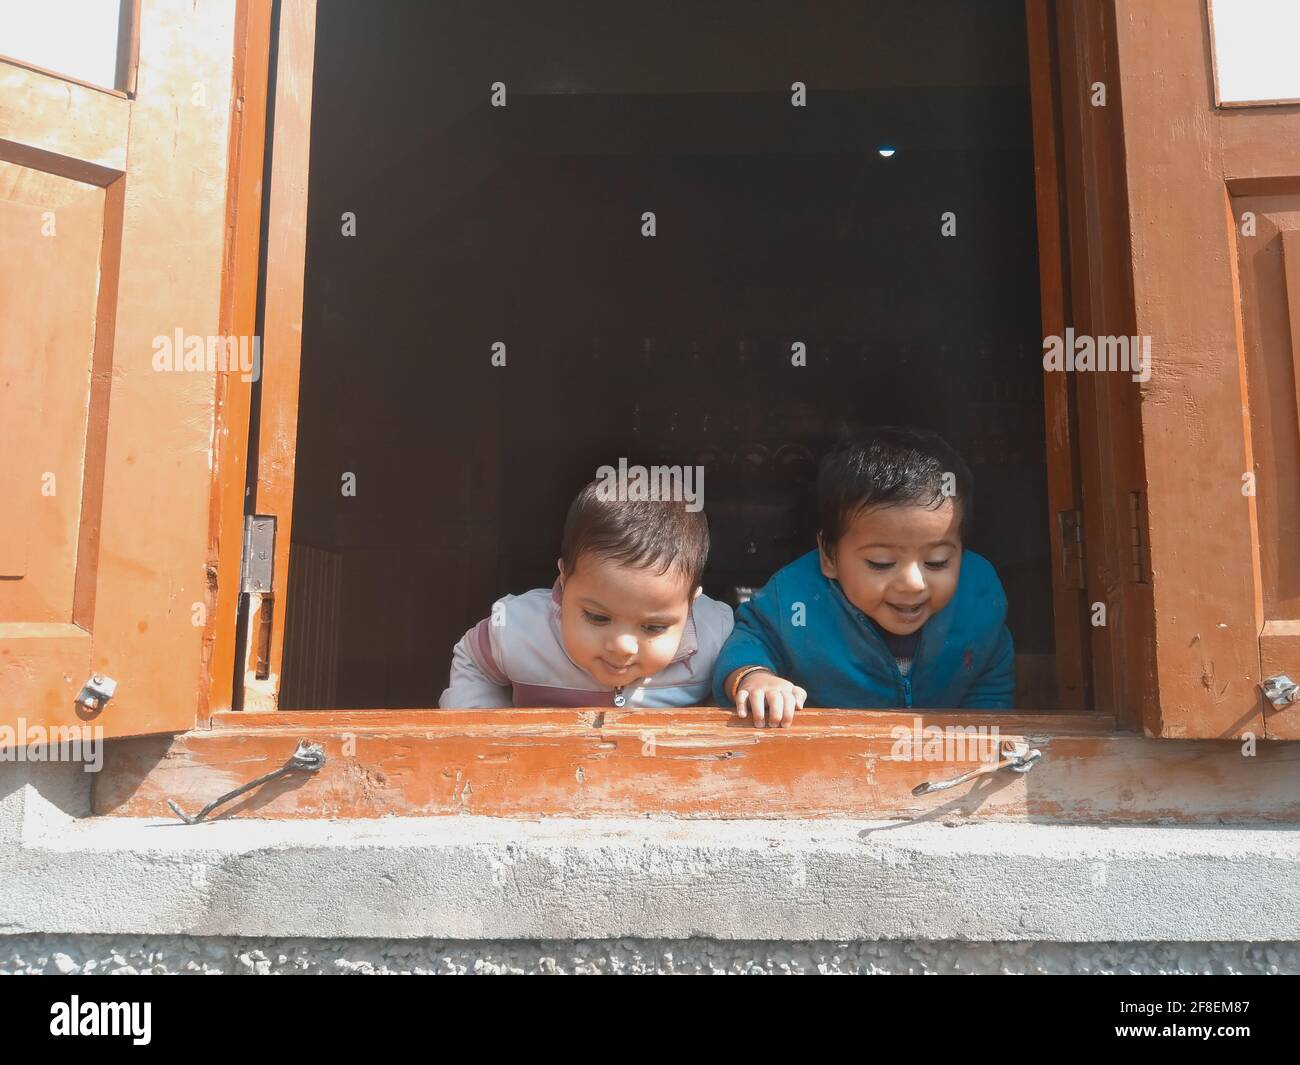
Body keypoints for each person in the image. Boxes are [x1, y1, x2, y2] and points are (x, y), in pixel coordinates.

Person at [713, 427, 1015, 725]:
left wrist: (979, 738)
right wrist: (756, 678)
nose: (913, 583)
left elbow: (990, 683)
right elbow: (750, 638)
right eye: (881, 563)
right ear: (830, 556)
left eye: (937, 562)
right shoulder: (795, 598)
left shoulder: (978, 597)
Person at [440, 478, 733, 708]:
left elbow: (747, 670)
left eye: (653, 627)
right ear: (564, 581)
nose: (622, 646)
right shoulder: (518, 627)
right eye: (597, 617)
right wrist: (487, 726)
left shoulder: (714, 637)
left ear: (690, 605)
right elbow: (473, 660)